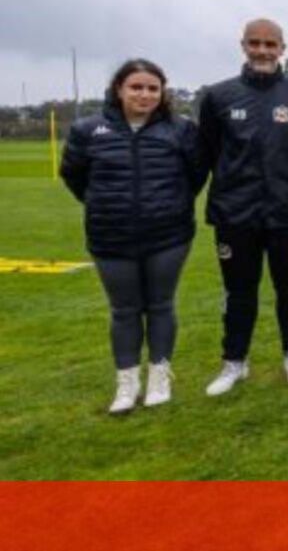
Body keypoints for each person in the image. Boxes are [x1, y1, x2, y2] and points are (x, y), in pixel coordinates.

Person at [60, 59, 206, 414]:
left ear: (162, 92)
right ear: (119, 89)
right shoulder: (87, 129)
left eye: (152, 88)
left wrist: (168, 206)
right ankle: (126, 384)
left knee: (160, 305)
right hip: (110, 236)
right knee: (124, 310)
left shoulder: (181, 130)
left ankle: (159, 376)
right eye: (136, 87)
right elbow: (74, 176)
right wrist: (105, 204)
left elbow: (196, 175)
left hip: (168, 236)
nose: (145, 94)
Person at [197, 18, 288, 396]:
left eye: (270, 44)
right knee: (238, 291)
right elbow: (207, 152)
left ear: (283, 49)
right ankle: (234, 362)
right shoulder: (219, 96)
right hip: (235, 214)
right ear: (243, 46)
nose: (262, 50)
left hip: (287, 212)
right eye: (255, 43)